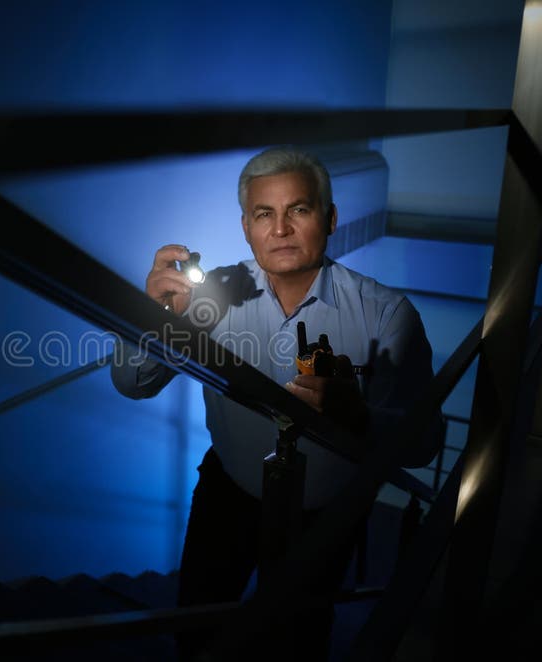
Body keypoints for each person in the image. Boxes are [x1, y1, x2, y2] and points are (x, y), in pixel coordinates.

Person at [110, 146, 442, 660]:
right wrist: (153, 317)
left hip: (324, 515)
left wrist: (359, 417)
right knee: (197, 626)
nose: (280, 229)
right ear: (246, 227)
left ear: (330, 219)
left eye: (299, 210)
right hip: (229, 493)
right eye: (265, 213)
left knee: (300, 639)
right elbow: (133, 384)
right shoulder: (214, 293)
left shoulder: (387, 315)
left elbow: (425, 443)